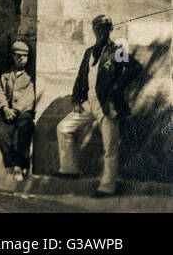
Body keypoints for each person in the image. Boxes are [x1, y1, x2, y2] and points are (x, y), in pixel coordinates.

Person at [56, 14, 141, 198]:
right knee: (64, 128)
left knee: (109, 146)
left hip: (107, 104)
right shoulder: (89, 52)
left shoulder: (117, 50)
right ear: (94, 30)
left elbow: (135, 68)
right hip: (89, 102)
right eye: (98, 28)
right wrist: (77, 100)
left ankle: (107, 187)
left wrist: (117, 88)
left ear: (110, 30)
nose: (101, 32)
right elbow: (81, 77)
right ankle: (69, 169)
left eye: (105, 28)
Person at [0, 40, 41, 181]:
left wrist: (16, 110)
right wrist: (5, 109)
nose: (21, 58)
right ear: (13, 57)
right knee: (1, 132)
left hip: (23, 113)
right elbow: (1, 93)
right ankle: (12, 163)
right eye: (18, 55)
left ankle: (22, 164)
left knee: (24, 130)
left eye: (24, 56)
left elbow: (29, 95)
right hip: (7, 112)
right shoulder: (6, 76)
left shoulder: (31, 77)